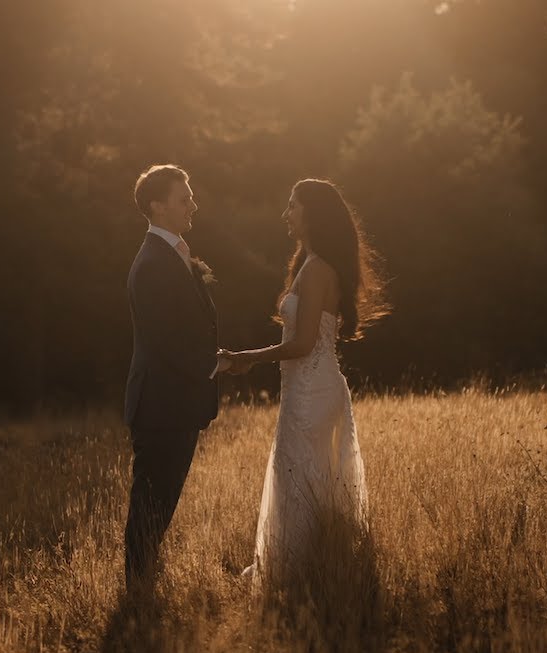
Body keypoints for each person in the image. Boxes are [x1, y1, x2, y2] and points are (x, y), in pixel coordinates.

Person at [221, 178, 390, 586]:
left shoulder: (316, 270)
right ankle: (307, 568)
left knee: (302, 478)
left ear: (312, 214)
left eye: (293, 206)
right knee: (305, 477)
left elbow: (302, 343)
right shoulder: (310, 263)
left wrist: (247, 358)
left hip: (312, 392)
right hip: (308, 389)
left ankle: (291, 574)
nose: (286, 214)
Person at [123, 164, 225, 593]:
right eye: (184, 199)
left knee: (161, 505)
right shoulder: (152, 265)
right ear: (157, 206)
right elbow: (167, 343)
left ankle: (143, 585)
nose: (193, 206)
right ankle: (137, 590)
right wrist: (216, 363)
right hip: (162, 405)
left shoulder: (174, 254)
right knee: (150, 504)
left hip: (177, 403)